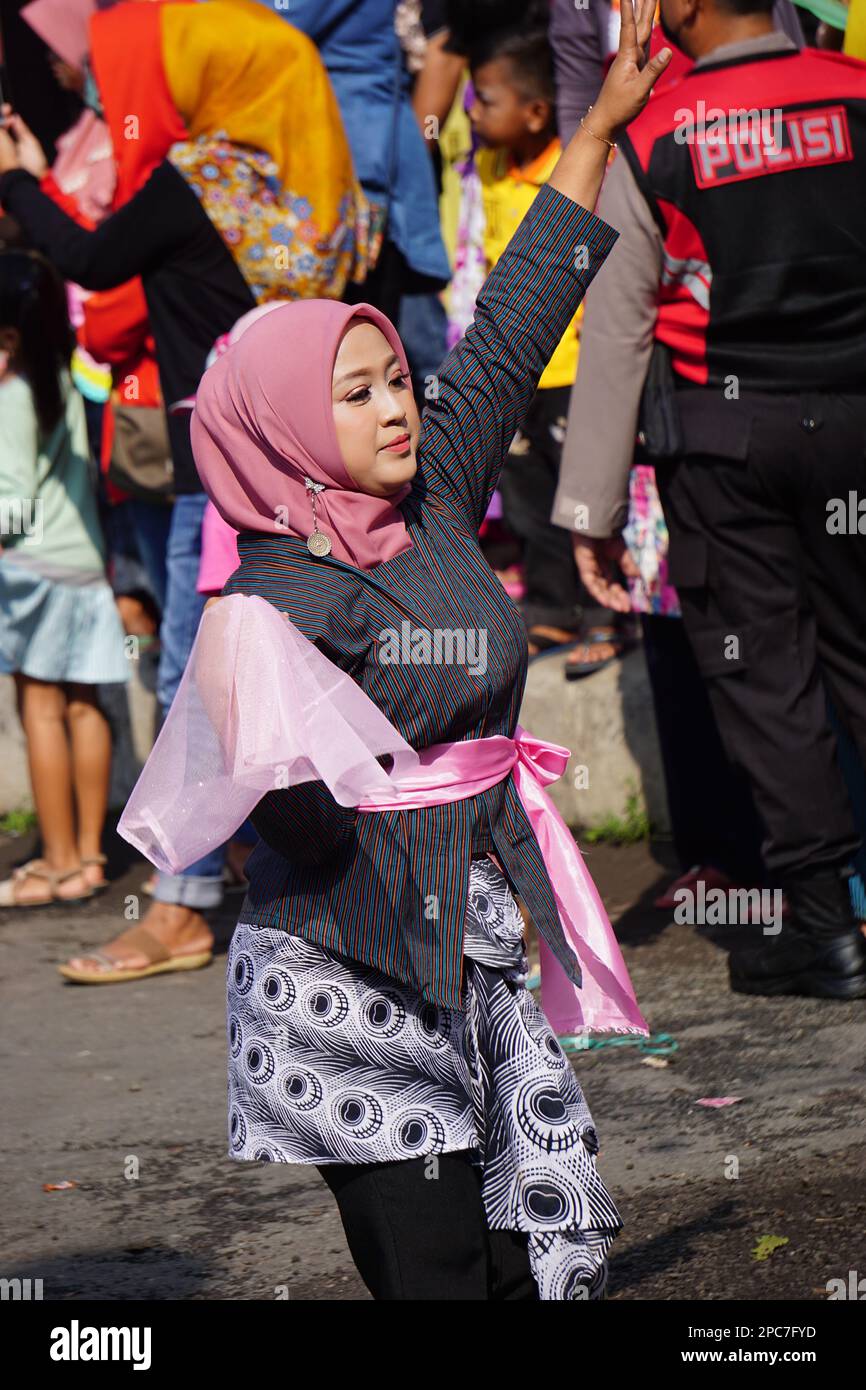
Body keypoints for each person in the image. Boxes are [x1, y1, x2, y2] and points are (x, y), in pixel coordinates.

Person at [167, 0, 671, 1301]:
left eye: (393, 375)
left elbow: (510, 316)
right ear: (280, 425)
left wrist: (596, 129)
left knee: (533, 1257)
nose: (397, 404)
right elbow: (278, 816)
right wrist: (345, 794)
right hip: (355, 976)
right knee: (440, 1267)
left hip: (482, 926)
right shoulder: (269, 599)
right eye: (356, 392)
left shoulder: (435, 478)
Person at [0, 0, 370, 983]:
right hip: (299, 471)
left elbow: (87, 258)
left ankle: (177, 906)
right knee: (276, 671)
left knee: (190, 680)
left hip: (214, 470)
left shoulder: (194, 178)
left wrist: (18, 181)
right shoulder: (316, 190)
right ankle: (285, 868)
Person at [551, 0, 866, 999]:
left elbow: (616, 330)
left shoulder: (651, 133)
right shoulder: (856, 95)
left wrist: (588, 508)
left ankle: (825, 932)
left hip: (726, 449)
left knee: (764, 682)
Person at [0, 250, 128, 907]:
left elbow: (13, 504)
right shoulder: (66, 378)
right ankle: (88, 858)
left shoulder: (15, 392)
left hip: (33, 568)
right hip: (82, 562)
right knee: (85, 705)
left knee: (40, 708)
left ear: (10, 335)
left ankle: (53, 864)